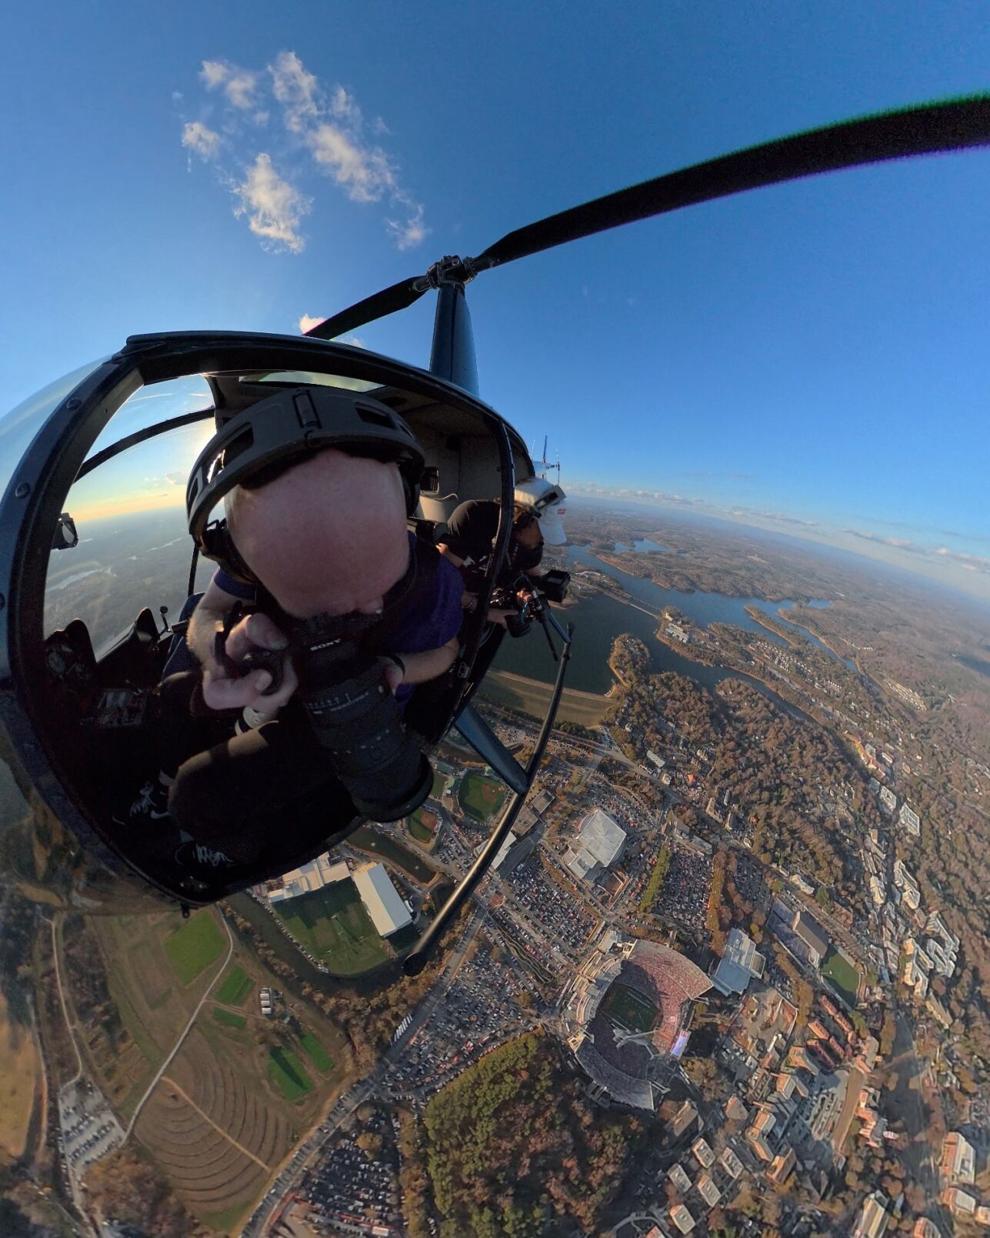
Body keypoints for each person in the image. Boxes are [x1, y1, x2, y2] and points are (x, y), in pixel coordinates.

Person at [123, 448, 463, 875]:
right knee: (172, 696)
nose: (368, 604)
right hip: (273, 681)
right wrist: (219, 658)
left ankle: (232, 851)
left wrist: (394, 668)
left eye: (375, 580)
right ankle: (162, 786)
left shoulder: (434, 579)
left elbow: (448, 650)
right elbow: (208, 611)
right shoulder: (264, 544)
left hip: (351, 712)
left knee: (196, 795)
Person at [437, 478, 567, 614]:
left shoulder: (530, 544)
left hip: (484, 606)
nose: (543, 539)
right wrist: (489, 613)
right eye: (541, 531)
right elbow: (441, 582)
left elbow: (532, 578)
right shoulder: (474, 516)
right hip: (447, 605)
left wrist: (525, 592)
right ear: (522, 518)